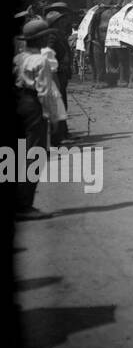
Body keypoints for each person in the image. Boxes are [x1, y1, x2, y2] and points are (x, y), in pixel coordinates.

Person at [11, 18, 65, 220]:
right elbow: (45, 92)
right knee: (36, 153)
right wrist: (53, 117)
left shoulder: (19, 58)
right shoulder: (41, 61)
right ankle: (24, 205)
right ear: (41, 39)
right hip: (34, 105)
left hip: (20, 102)